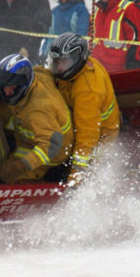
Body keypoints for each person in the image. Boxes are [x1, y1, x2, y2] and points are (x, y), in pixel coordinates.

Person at [0, 54, 74, 183]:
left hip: (53, 152)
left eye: (11, 88)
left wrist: (21, 166)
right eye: (4, 88)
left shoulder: (38, 109)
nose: (7, 93)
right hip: (35, 135)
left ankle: (37, 187)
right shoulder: (38, 74)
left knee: (6, 175)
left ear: (22, 84)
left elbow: (51, 146)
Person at [49, 33, 120, 185]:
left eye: (64, 62)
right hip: (82, 121)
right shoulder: (75, 72)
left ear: (77, 59)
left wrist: (75, 177)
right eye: (56, 62)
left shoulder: (87, 91)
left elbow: (86, 138)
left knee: (88, 173)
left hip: (101, 137)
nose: (59, 67)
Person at [91, 0, 140, 73]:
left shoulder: (128, 8)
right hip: (97, 66)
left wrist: (132, 63)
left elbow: (137, 39)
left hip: (118, 68)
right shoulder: (97, 10)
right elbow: (91, 35)